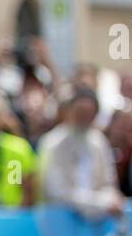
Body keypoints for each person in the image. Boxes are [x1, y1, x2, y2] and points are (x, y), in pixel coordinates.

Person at [36, 83, 122, 220]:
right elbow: (57, 191)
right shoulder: (53, 143)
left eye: (89, 112)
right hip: (60, 221)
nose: (84, 117)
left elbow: (108, 183)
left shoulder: (99, 141)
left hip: (97, 222)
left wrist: (110, 199)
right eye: (80, 111)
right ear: (69, 111)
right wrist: (100, 203)